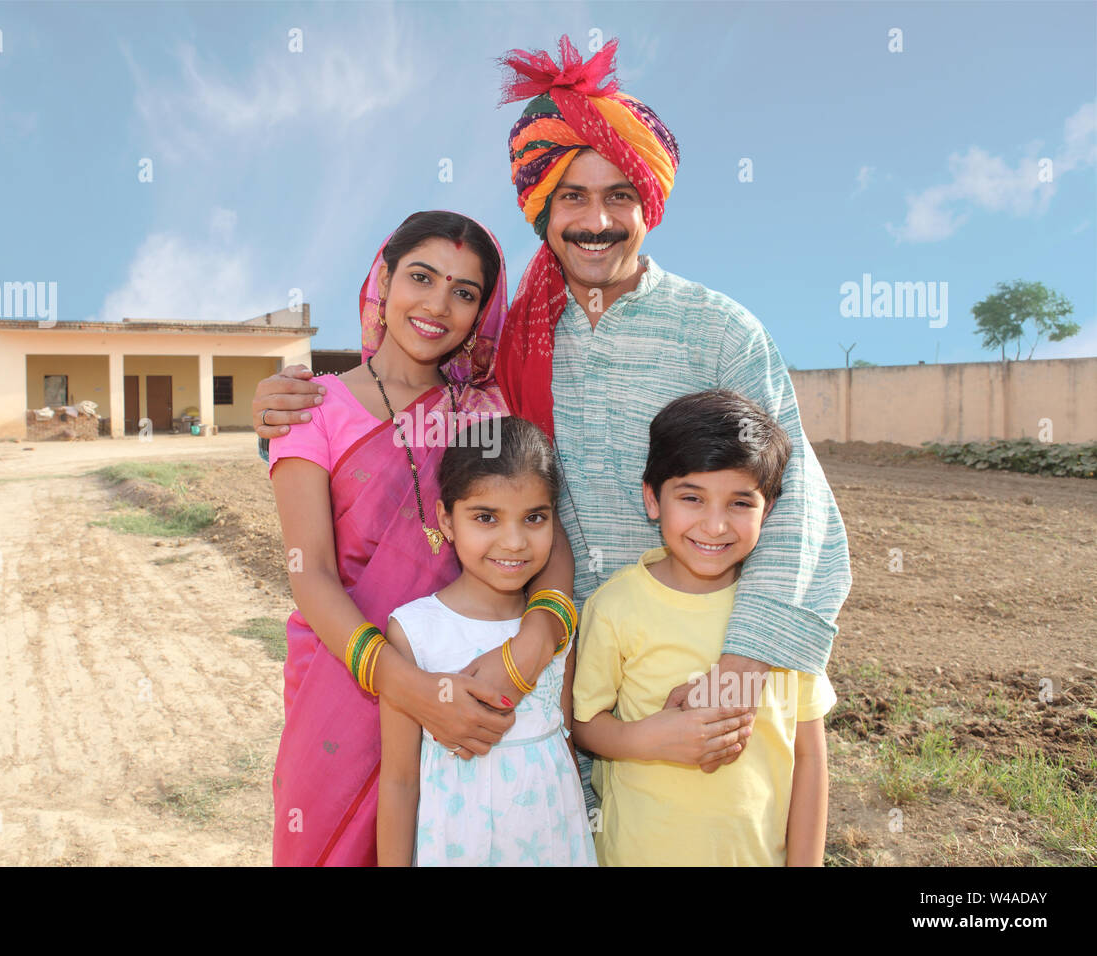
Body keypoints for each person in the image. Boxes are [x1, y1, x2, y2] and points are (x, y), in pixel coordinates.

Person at [255, 37, 851, 800]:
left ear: (650, 204)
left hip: (694, 678)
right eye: (571, 195)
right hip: (544, 694)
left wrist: (734, 674)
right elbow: (393, 442)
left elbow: (793, 501)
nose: (595, 219)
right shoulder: (516, 348)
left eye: (619, 196)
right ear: (540, 208)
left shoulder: (721, 332)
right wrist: (273, 418)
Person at [267, 210, 568, 867]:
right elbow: (308, 570)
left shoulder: (486, 415)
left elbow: (545, 527)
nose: (438, 305)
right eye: (422, 278)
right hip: (343, 684)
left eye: (464, 292)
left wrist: (535, 642)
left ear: (482, 312)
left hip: (470, 685)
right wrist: (405, 687)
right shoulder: (310, 408)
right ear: (384, 278)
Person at [378, 415, 752, 866]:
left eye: (534, 517)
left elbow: (566, 743)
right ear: (446, 519)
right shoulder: (415, 632)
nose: (513, 541)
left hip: (557, 844)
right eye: (485, 518)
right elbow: (399, 782)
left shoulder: (558, 628)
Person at [573, 390, 835, 866]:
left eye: (739, 503)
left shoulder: (778, 612)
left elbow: (811, 755)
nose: (714, 526)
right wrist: (650, 739)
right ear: (653, 498)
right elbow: (584, 724)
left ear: (769, 509)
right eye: (692, 498)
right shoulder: (617, 605)